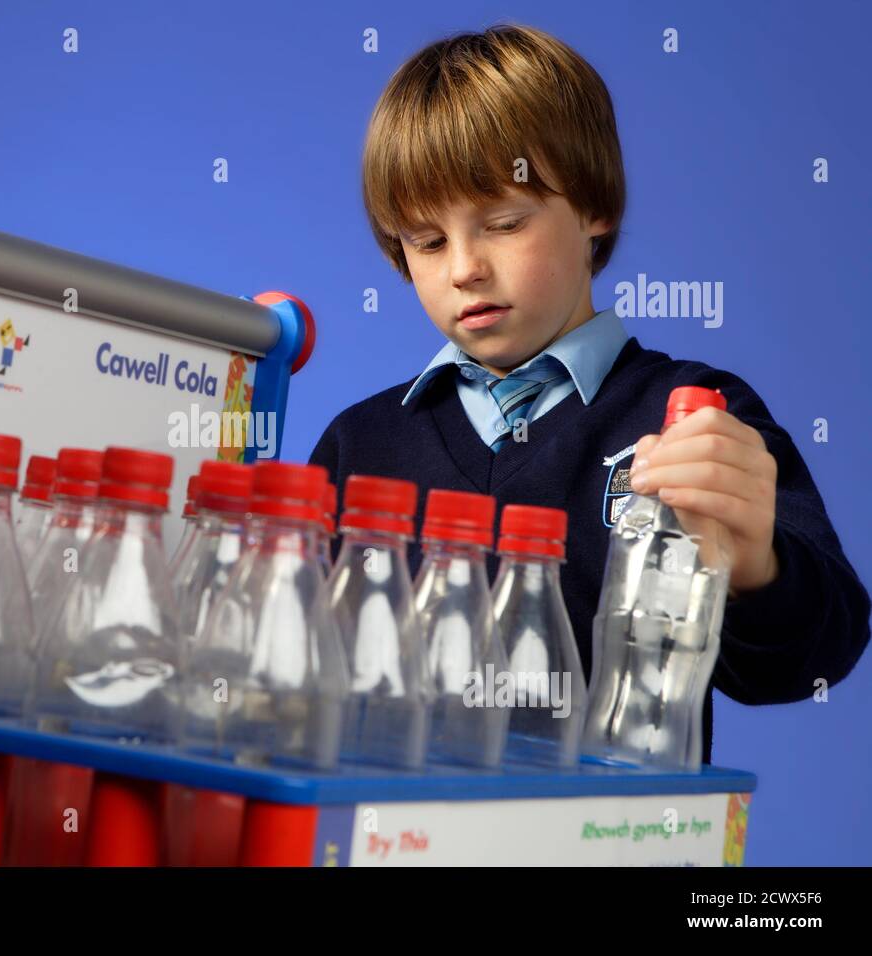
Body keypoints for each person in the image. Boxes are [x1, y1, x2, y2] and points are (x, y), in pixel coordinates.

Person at [308, 24, 870, 764]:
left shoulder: (696, 417)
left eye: (504, 223)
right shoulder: (360, 441)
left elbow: (812, 662)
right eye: (426, 241)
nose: (465, 268)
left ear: (595, 209)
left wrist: (755, 566)